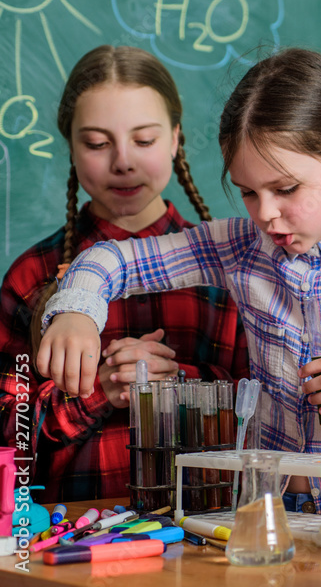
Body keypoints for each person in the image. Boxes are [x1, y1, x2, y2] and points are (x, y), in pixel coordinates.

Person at [36, 47, 321, 519]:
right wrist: (77, 307)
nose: (265, 214)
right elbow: (114, 258)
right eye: (247, 192)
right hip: (267, 517)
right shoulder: (241, 245)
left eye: (285, 189)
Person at [0, 45, 248, 502]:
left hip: (209, 532)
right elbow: (9, 440)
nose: (123, 161)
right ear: (71, 147)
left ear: (176, 139)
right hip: (71, 542)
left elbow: (275, 414)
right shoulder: (32, 276)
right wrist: (98, 390)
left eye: (145, 140)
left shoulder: (231, 270)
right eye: (97, 143)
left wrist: (176, 383)